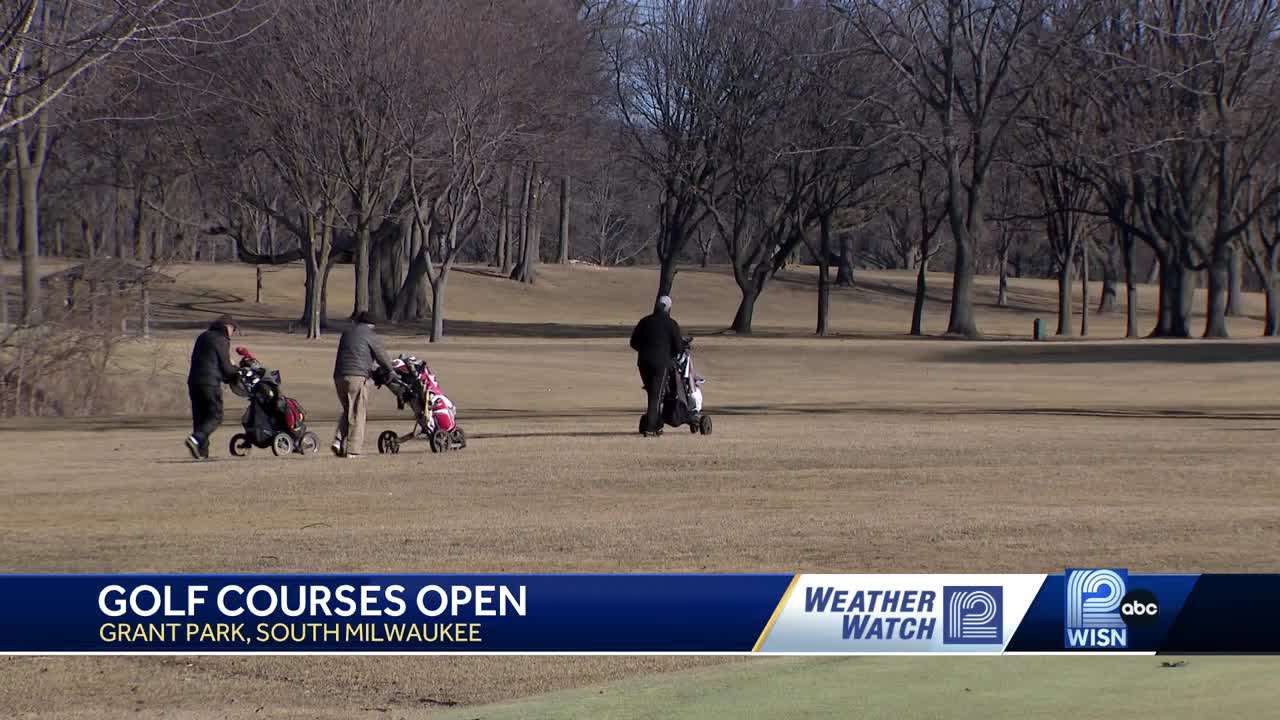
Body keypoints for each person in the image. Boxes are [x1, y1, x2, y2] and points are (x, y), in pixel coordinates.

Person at [332, 311, 395, 458]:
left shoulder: (347, 333)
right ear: (371, 324)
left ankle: (338, 441)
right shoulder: (370, 335)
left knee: (349, 409)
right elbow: (382, 357)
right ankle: (353, 450)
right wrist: (391, 371)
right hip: (357, 377)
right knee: (358, 412)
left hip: (339, 377)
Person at [185, 315, 239, 460]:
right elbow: (225, 367)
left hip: (193, 381)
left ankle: (201, 453)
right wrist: (236, 372)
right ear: (227, 327)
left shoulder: (203, 337)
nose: (233, 333)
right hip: (209, 382)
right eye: (233, 329)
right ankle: (196, 439)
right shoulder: (221, 340)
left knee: (200, 417)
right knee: (216, 415)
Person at [629, 295, 683, 436]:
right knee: (656, 395)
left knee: (652, 393)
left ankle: (656, 423)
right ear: (669, 308)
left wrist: (645, 349)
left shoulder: (645, 321)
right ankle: (651, 428)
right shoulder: (672, 324)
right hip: (661, 363)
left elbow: (633, 343)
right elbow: (679, 348)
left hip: (643, 363)